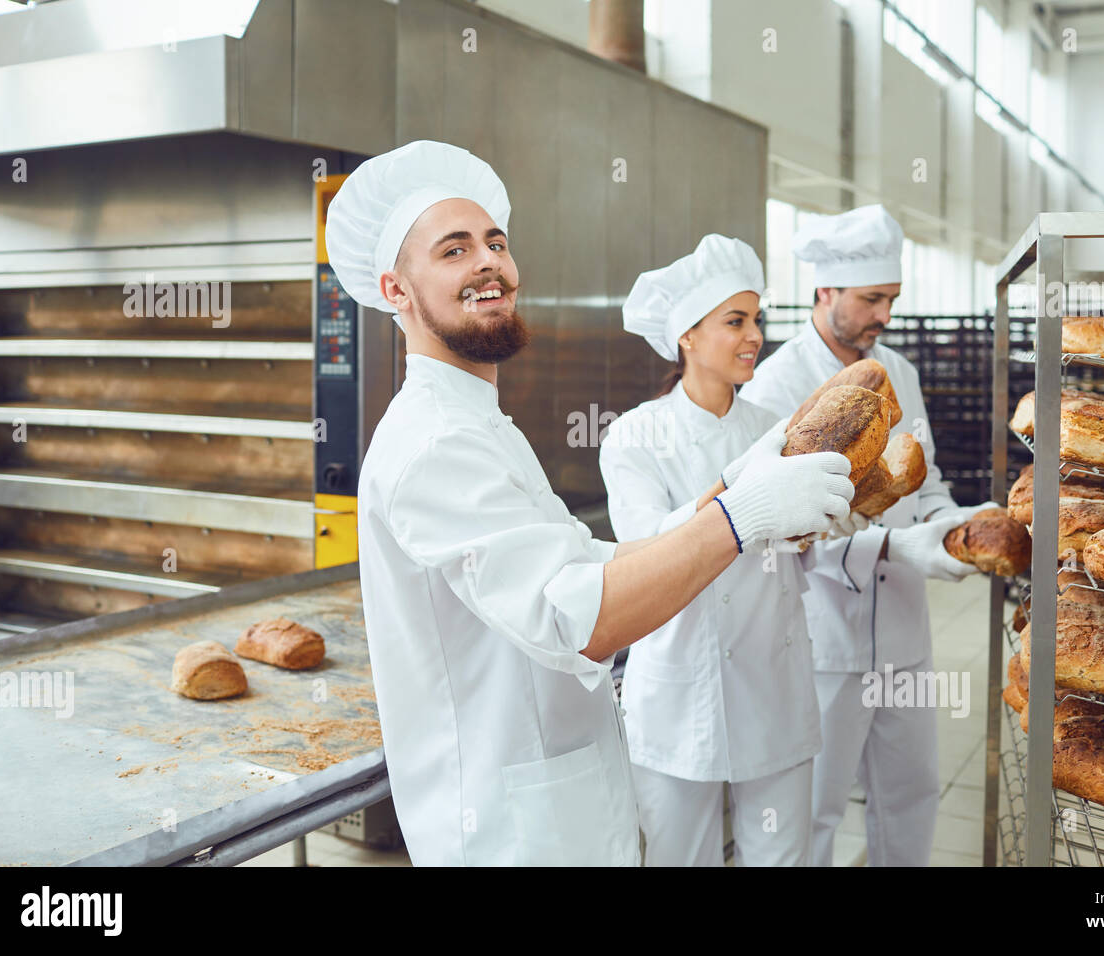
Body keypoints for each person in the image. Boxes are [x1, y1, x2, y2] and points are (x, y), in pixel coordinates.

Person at [325, 140, 858, 866]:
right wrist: (743, 519)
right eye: (453, 251)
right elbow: (583, 616)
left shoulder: (480, 423)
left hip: (556, 807)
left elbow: (587, 559)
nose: (487, 262)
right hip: (508, 828)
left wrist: (729, 494)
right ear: (396, 291)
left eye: (496, 243)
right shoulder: (433, 443)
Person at [598, 235, 863, 866]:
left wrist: (819, 522)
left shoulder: (774, 426)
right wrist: (742, 488)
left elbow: (801, 540)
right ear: (687, 336)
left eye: (758, 320)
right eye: (735, 321)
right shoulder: (637, 435)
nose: (754, 336)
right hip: (677, 690)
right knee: (678, 857)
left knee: (782, 857)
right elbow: (643, 548)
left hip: (772, 677)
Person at [740, 204, 990, 867]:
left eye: (891, 299)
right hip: (824, 634)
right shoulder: (777, 385)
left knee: (911, 790)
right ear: (826, 292)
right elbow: (781, 529)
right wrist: (886, 545)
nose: (884, 314)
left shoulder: (898, 373)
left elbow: (924, 477)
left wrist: (949, 526)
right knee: (815, 809)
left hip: (905, 630)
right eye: (871, 299)